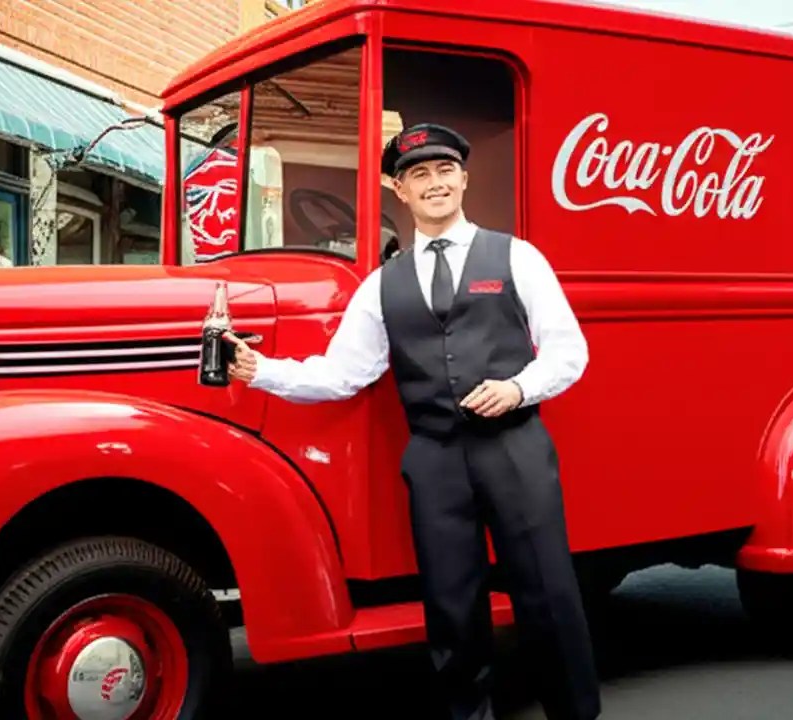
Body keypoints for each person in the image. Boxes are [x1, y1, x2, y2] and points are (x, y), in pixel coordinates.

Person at [224, 123, 601, 720]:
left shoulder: (515, 256)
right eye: (418, 174)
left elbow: (568, 351)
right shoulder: (381, 284)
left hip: (514, 448)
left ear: (464, 179)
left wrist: (517, 388)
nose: (434, 183)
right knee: (451, 603)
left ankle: (574, 712)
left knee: (547, 593)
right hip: (436, 459)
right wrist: (261, 370)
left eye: (444, 170)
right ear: (398, 190)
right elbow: (342, 373)